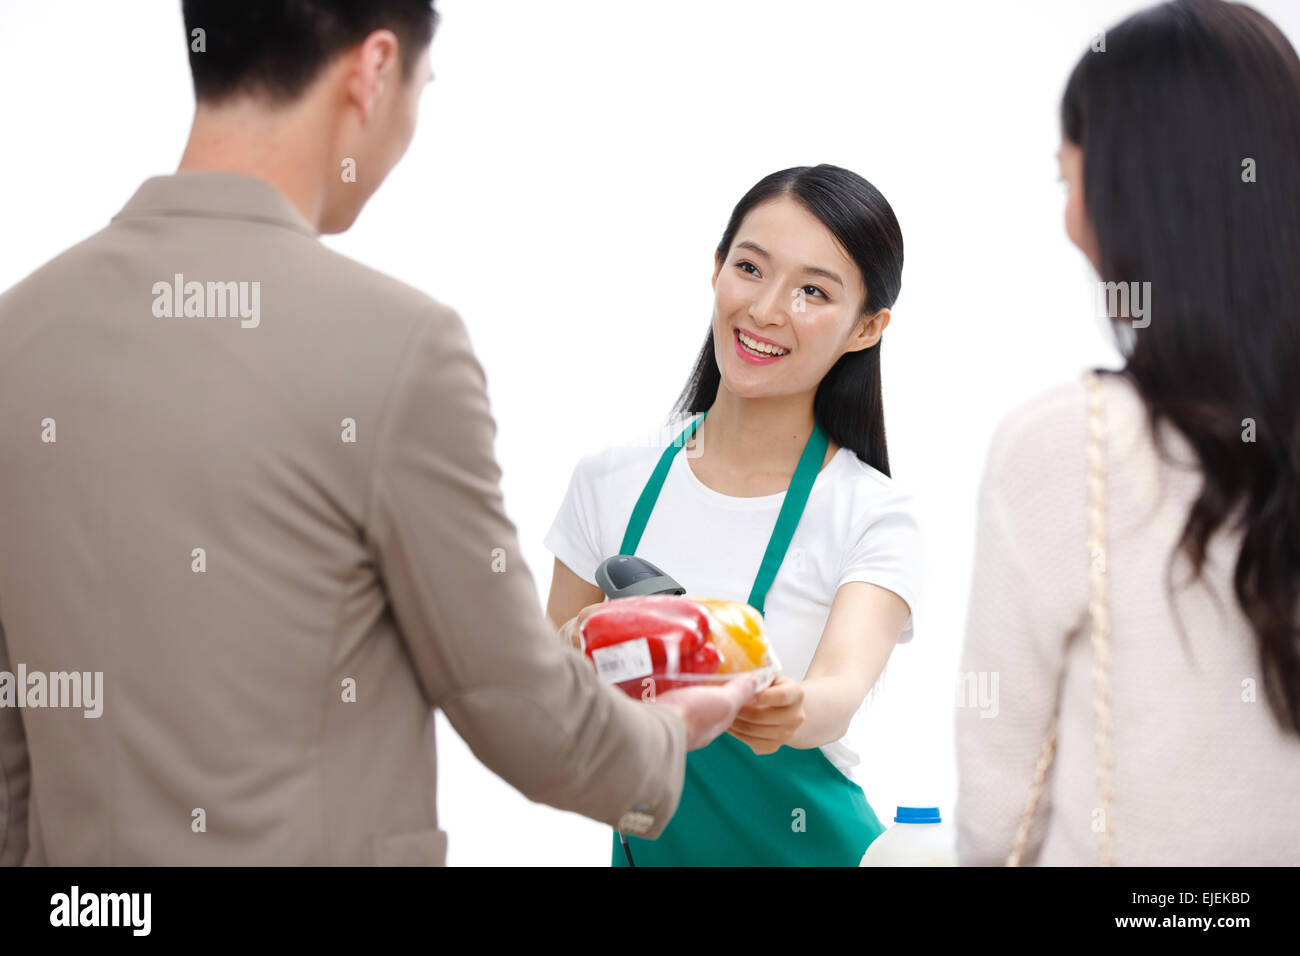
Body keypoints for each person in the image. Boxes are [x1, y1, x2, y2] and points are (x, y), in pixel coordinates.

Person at [0, 0, 758, 866]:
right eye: (420, 90)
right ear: (373, 69)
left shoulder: (17, 336)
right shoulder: (399, 346)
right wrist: (670, 730)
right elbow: (525, 714)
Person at [956, 0, 1300, 865]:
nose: (1070, 217)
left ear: (1122, 202)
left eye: (1070, 181)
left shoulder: (1069, 447)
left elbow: (999, 821)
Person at [546, 165, 924, 866]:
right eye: (751, 268)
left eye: (814, 290)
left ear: (867, 328)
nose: (767, 309)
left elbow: (837, 694)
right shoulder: (608, 482)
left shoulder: (873, 513)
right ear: (718, 268)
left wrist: (788, 708)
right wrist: (570, 649)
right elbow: (544, 713)